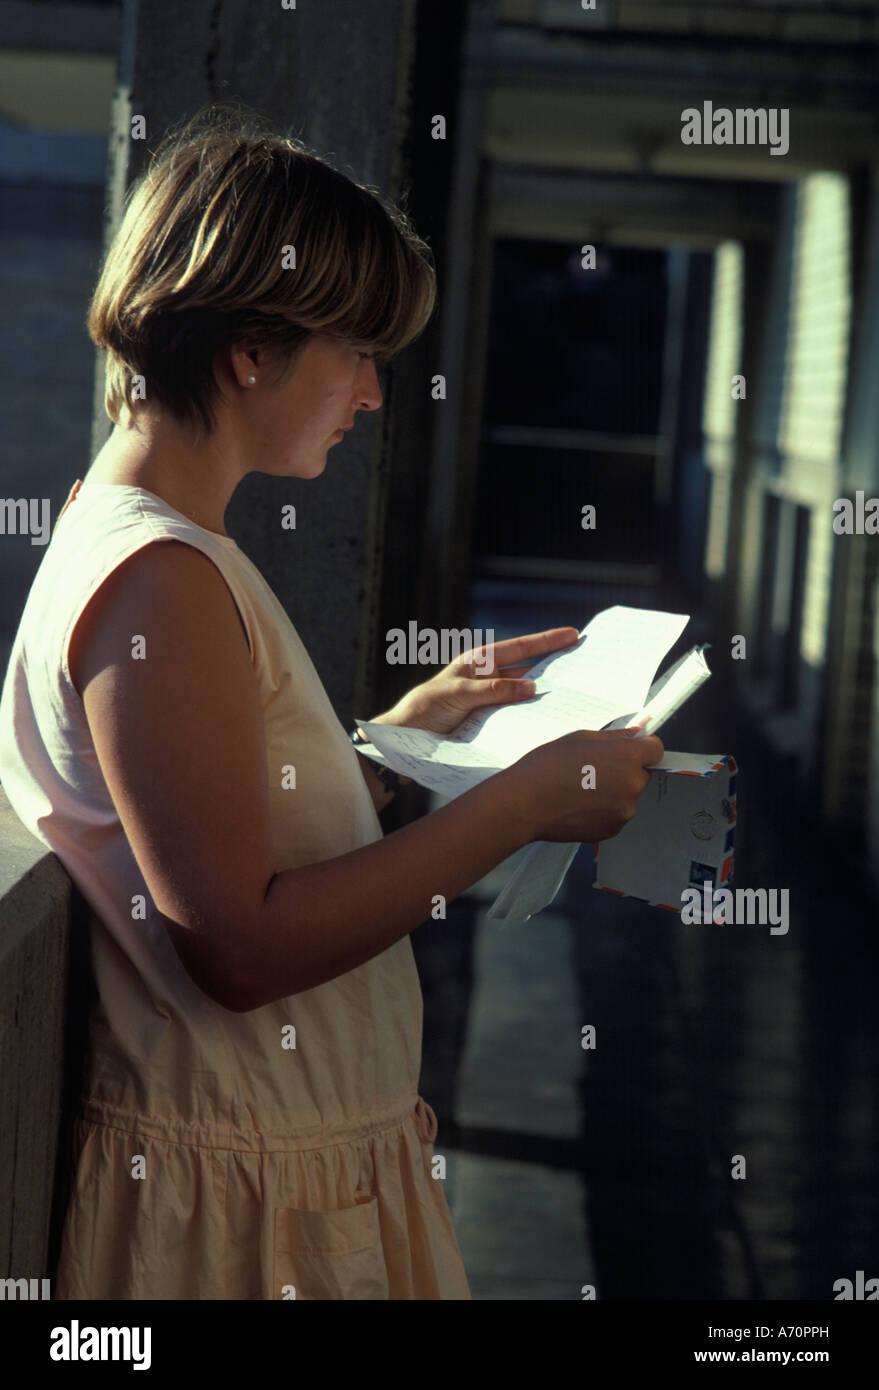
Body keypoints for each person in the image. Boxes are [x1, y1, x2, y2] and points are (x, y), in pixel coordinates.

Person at [0, 108, 663, 1300]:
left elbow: (225, 840)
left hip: (281, 1185)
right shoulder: (159, 574)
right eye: (356, 351)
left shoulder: (157, 547)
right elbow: (239, 947)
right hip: (248, 1226)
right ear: (252, 348)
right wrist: (523, 802)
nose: (370, 394)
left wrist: (410, 735)